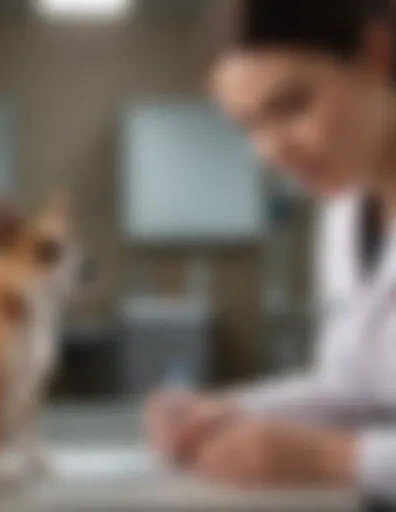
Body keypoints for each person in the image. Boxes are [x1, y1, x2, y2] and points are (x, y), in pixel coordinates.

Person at [144, 0, 396, 509]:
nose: (271, 152)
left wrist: (336, 460)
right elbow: (354, 387)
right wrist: (224, 411)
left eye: (291, 106)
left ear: (377, 53)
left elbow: (346, 439)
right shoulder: (344, 210)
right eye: (249, 127)